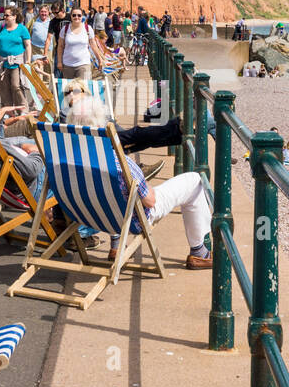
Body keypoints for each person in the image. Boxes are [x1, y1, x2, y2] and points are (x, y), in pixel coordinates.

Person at [65, 93, 209, 266]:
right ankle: (200, 252)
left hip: (85, 214)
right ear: (100, 125)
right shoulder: (117, 161)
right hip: (129, 220)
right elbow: (149, 201)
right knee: (194, 180)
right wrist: (141, 180)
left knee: (109, 192)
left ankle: (117, 246)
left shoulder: (63, 158)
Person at [0, 5, 32, 108]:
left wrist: (28, 60)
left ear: (14, 16)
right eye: (4, 15)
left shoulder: (22, 29)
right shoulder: (1, 27)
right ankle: (7, 109)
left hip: (16, 62)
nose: (5, 17)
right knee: (3, 88)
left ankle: (22, 108)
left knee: (16, 86)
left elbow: (28, 45)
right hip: (2, 61)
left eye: (7, 15)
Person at [59, 9, 101, 80]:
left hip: (84, 64)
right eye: (74, 15)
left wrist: (99, 59)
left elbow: (93, 45)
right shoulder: (65, 29)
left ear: (82, 16)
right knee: (69, 89)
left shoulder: (88, 29)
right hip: (68, 65)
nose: (76, 17)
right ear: (71, 16)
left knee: (84, 88)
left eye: (79, 15)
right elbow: (60, 46)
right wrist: (59, 62)